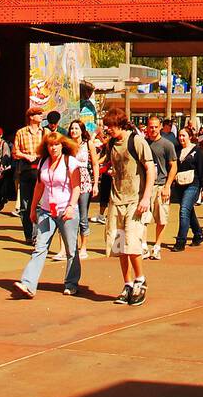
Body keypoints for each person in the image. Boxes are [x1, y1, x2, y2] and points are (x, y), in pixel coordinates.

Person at [13, 131, 82, 298]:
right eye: (50, 145)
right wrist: (32, 209)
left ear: (62, 145)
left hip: (66, 210)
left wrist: (71, 206)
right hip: (46, 210)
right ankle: (28, 284)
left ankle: (71, 283)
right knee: (40, 247)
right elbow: (39, 186)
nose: (53, 148)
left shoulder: (70, 162)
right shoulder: (43, 162)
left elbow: (76, 187)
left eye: (56, 144)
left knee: (71, 249)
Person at [104, 115, 155, 304]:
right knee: (120, 246)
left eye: (110, 126)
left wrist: (146, 197)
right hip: (116, 200)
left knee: (132, 243)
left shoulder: (137, 141)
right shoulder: (111, 144)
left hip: (135, 200)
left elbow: (150, 169)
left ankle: (140, 280)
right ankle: (127, 283)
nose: (108, 129)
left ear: (120, 124)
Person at [171, 123, 203, 252]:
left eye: (184, 136)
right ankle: (198, 234)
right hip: (180, 184)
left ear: (190, 137)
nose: (181, 138)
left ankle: (181, 241)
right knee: (188, 211)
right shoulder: (177, 150)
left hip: (193, 184)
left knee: (183, 210)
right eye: (180, 136)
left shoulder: (197, 151)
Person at [144, 115, 177, 260]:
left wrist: (167, 186)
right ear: (147, 128)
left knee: (161, 218)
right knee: (143, 218)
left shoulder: (167, 145)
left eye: (156, 127)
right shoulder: (143, 144)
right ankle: (143, 246)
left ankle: (157, 246)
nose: (153, 129)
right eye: (151, 127)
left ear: (160, 127)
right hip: (146, 186)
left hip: (161, 185)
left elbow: (173, 166)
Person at [67, 118, 99, 260]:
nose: (74, 131)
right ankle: (69, 246)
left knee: (83, 216)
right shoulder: (66, 144)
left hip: (84, 179)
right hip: (69, 180)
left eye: (76, 129)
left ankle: (83, 246)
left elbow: (95, 164)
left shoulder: (88, 144)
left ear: (82, 131)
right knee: (70, 213)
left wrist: (95, 183)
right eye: (72, 129)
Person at [12, 108, 44, 244]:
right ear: (31, 117)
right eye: (38, 114)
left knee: (38, 204)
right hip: (25, 170)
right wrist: (26, 156)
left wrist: (37, 156)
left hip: (40, 170)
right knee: (25, 205)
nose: (41, 116)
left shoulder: (45, 132)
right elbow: (15, 152)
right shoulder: (21, 132)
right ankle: (28, 235)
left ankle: (37, 235)